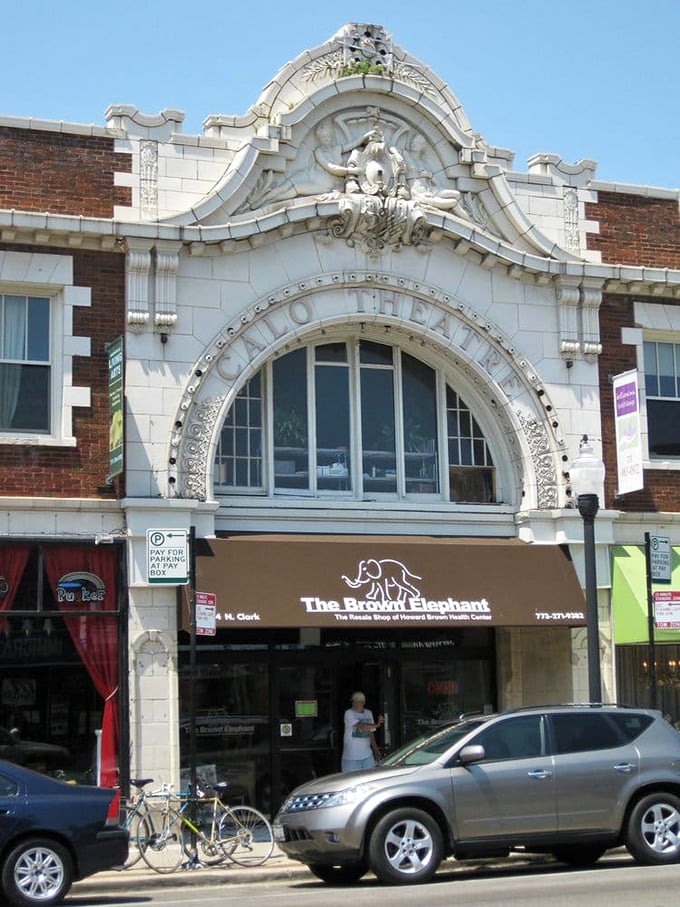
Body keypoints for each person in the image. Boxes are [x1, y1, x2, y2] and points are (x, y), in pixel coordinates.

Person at [341, 691, 383, 772]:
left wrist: (376, 750)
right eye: (353, 701)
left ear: (363, 703)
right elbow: (361, 726)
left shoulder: (368, 713)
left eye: (357, 701)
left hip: (367, 755)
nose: (354, 703)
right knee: (351, 779)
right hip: (351, 757)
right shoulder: (349, 713)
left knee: (370, 778)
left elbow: (371, 733)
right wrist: (377, 725)